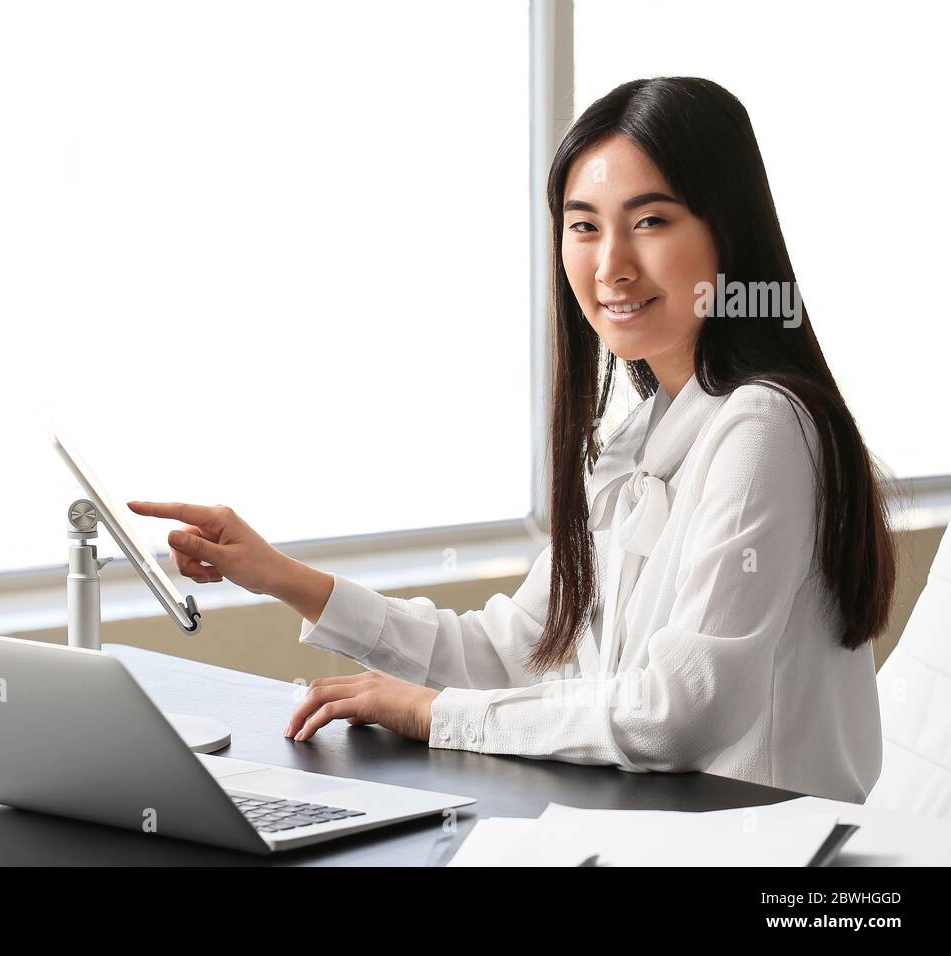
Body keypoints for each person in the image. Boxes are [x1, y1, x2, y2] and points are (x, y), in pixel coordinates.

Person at [128, 77, 895, 804]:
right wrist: (283, 576)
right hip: (643, 833)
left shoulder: (764, 426)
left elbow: (675, 712)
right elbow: (513, 651)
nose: (611, 265)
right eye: (584, 226)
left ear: (728, 233)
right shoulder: (642, 438)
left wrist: (436, 715)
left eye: (651, 222)